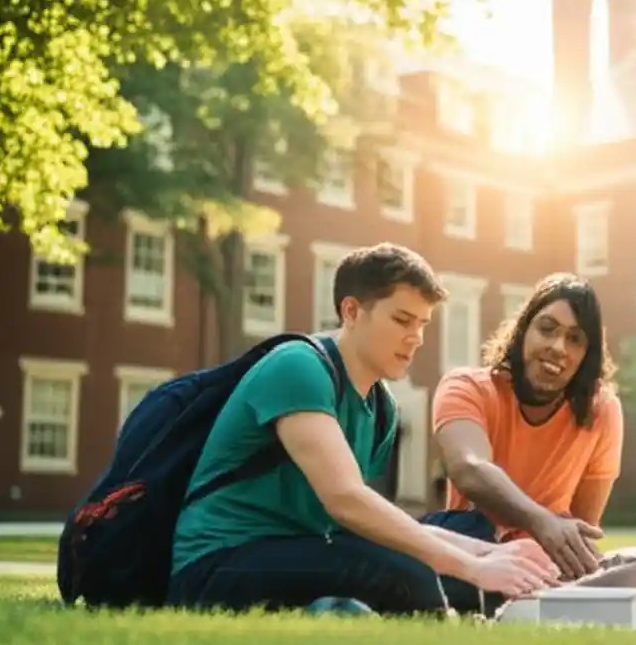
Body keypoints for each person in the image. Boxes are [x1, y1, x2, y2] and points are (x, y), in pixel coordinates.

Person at [167, 243, 557, 614]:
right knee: (406, 575)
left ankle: (336, 613)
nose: (415, 338)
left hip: (300, 550)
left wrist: (487, 553)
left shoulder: (380, 407)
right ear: (351, 311)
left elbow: (364, 523)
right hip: (218, 564)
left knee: (464, 547)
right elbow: (346, 500)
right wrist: (472, 567)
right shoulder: (299, 367)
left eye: (422, 324)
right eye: (402, 320)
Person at [431, 273, 636, 610]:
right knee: (434, 541)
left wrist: (563, 554)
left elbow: (583, 528)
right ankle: (541, 605)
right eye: (547, 329)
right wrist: (541, 522)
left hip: (550, 565)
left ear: (586, 355)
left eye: (575, 339)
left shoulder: (601, 410)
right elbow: (469, 469)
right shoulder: (467, 387)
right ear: (523, 331)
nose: (558, 347)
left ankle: (537, 605)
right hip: (480, 549)